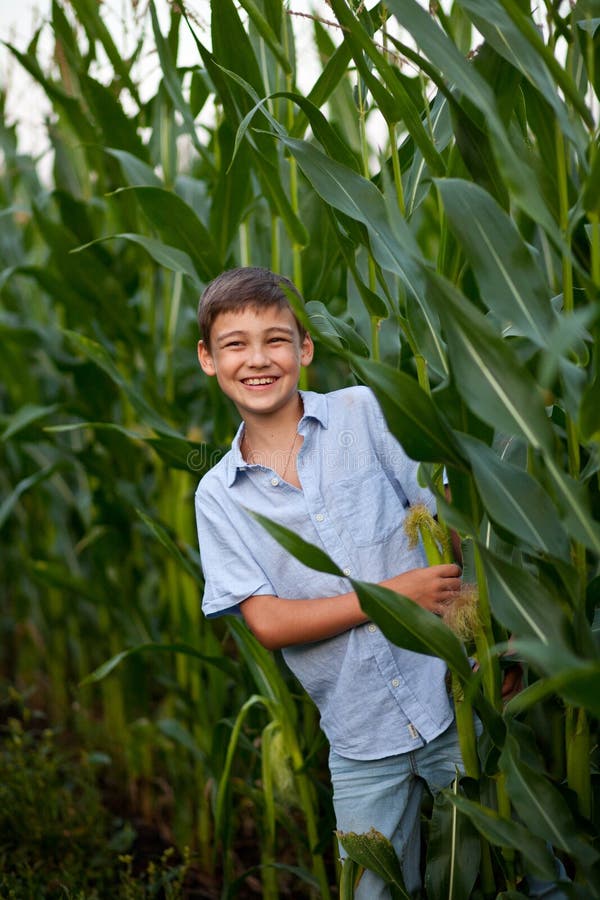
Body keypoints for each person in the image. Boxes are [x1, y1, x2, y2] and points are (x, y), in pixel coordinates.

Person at [193, 267, 542, 898]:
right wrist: (391, 600)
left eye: (276, 340)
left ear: (305, 348)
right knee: (373, 891)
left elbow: (452, 527)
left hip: (457, 698)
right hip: (359, 741)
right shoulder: (218, 496)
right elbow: (268, 623)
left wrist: (502, 645)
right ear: (208, 360)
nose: (257, 359)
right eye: (235, 344)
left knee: (530, 874)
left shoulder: (364, 412)